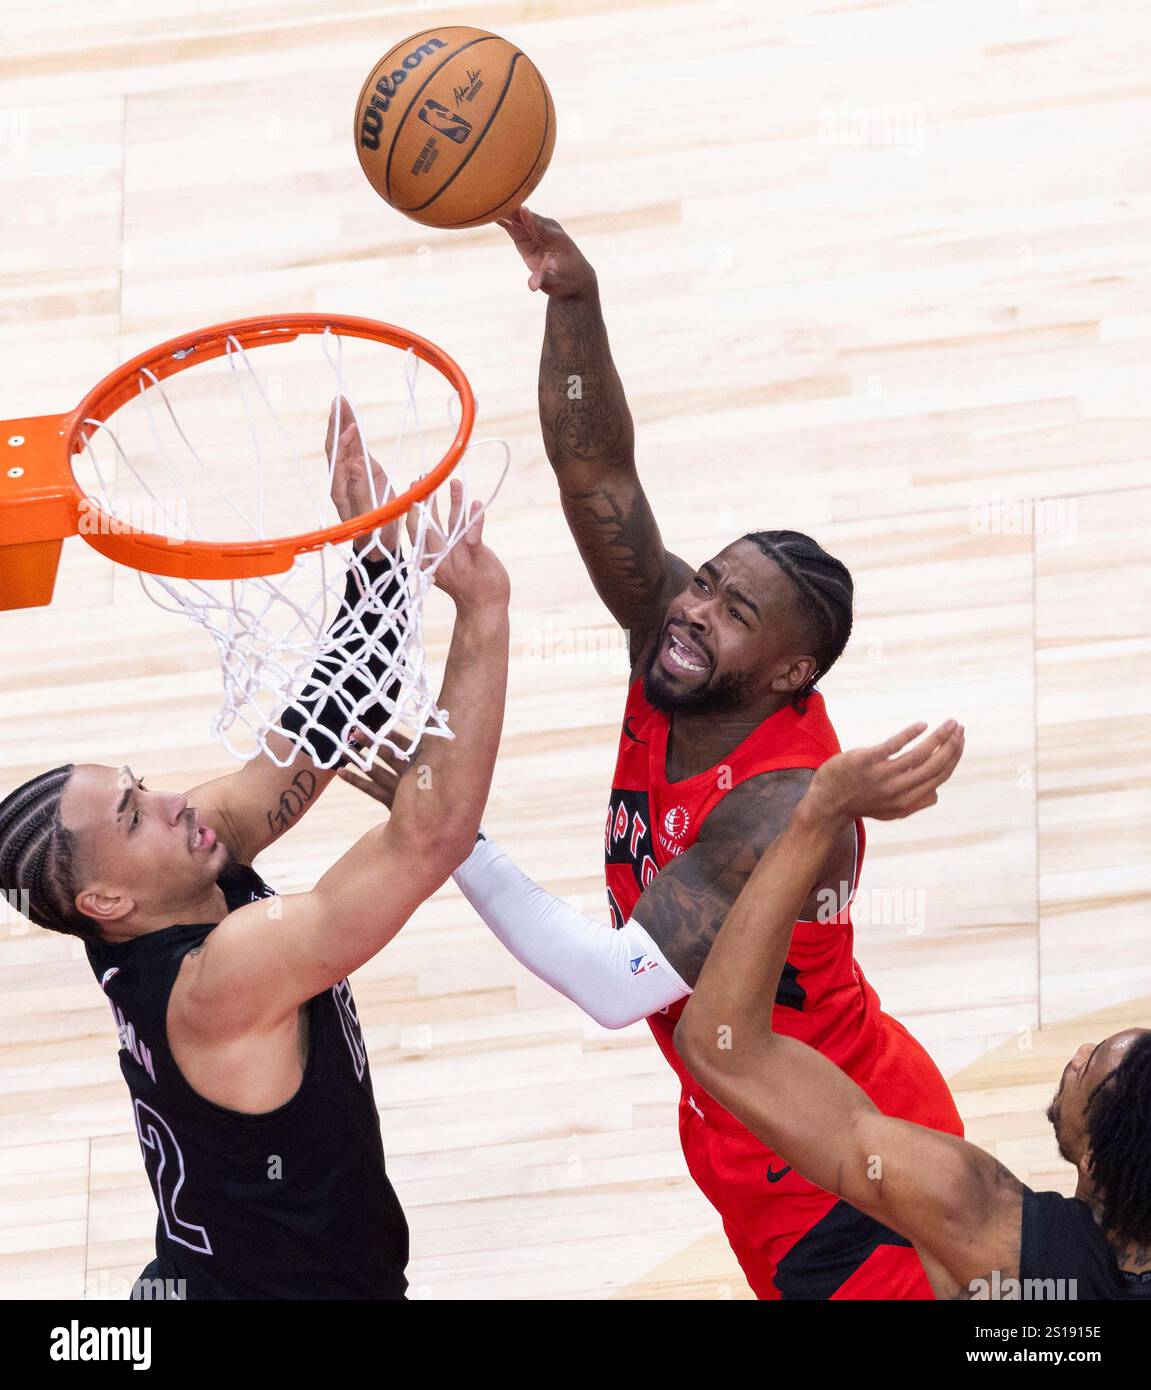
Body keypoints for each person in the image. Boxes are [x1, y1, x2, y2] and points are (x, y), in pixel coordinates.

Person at [341, 211, 964, 1300]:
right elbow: (598, 470)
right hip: (739, 1118)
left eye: (733, 613)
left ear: (785, 677)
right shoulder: (667, 647)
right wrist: (572, 302)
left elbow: (612, 982)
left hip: (833, 1153)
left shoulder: (775, 805)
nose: (692, 611)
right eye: (703, 582)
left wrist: (444, 829)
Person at [0, 407, 510, 1299]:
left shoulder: (169, 874)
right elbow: (429, 838)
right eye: (133, 815)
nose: (172, 801)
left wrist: (379, 558)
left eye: (140, 785)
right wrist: (485, 614)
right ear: (106, 903)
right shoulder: (222, 978)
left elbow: (320, 724)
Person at [675, 720, 1151, 1301]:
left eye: (1093, 1063)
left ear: (1097, 1161)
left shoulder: (987, 1230)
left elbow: (721, 1047)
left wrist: (819, 814)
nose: (1078, 1054)